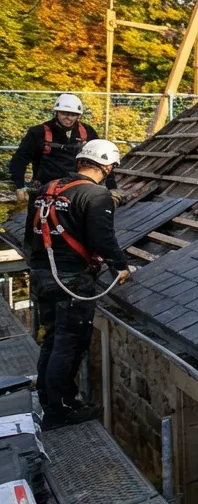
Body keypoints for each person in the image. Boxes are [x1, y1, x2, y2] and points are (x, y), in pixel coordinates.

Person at [24, 140, 134, 429]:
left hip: (41, 274)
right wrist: (120, 266)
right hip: (70, 280)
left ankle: (53, 400)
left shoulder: (46, 189)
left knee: (52, 339)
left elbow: (30, 235)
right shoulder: (95, 194)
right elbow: (102, 238)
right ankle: (59, 409)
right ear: (107, 166)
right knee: (69, 343)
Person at [10, 94, 119, 209]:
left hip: (78, 190)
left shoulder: (87, 132)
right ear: (56, 113)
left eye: (72, 115)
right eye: (64, 113)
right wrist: (20, 186)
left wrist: (112, 188)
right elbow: (19, 160)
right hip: (45, 189)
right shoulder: (38, 132)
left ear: (78, 116)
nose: (68, 118)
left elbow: (103, 160)